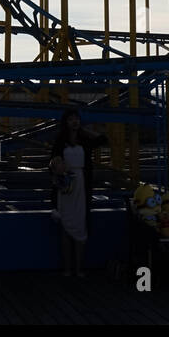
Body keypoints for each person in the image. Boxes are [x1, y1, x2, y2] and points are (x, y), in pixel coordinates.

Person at [48, 107, 108, 278]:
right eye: (71, 119)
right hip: (66, 184)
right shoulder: (60, 140)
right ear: (65, 122)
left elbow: (103, 139)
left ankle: (78, 268)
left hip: (81, 184)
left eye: (77, 119)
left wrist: (86, 131)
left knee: (80, 223)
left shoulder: (84, 138)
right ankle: (68, 268)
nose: (75, 122)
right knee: (66, 226)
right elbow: (52, 161)